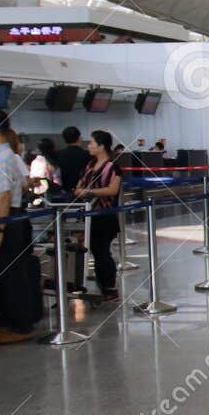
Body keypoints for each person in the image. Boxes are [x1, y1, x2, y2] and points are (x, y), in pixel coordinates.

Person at [0, 109, 38, 344]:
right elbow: (21, 186)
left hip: (5, 218)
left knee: (11, 275)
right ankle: (15, 322)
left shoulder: (1, 159)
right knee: (10, 273)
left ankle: (21, 327)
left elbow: (3, 196)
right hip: (10, 217)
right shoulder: (5, 156)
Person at [74, 129, 123, 303]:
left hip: (105, 217)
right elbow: (78, 187)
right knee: (94, 250)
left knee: (102, 251)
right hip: (89, 216)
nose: (89, 146)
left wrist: (90, 192)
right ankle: (103, 286)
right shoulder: (88, 166)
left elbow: (112, 190)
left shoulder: (112, 167)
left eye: (92, 143)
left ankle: (110, 287)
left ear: (102, 146)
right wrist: (83, 192)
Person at [52, 125, 88, 203]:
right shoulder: (86, 154)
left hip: (64, 193)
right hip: (82, 192)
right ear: (79, 138)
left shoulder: (59, 154)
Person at [28, 137, 58, 203]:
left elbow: (35, 180)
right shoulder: (53, 162)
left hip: (41, 194)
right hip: (46, 194)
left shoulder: (37, 161)